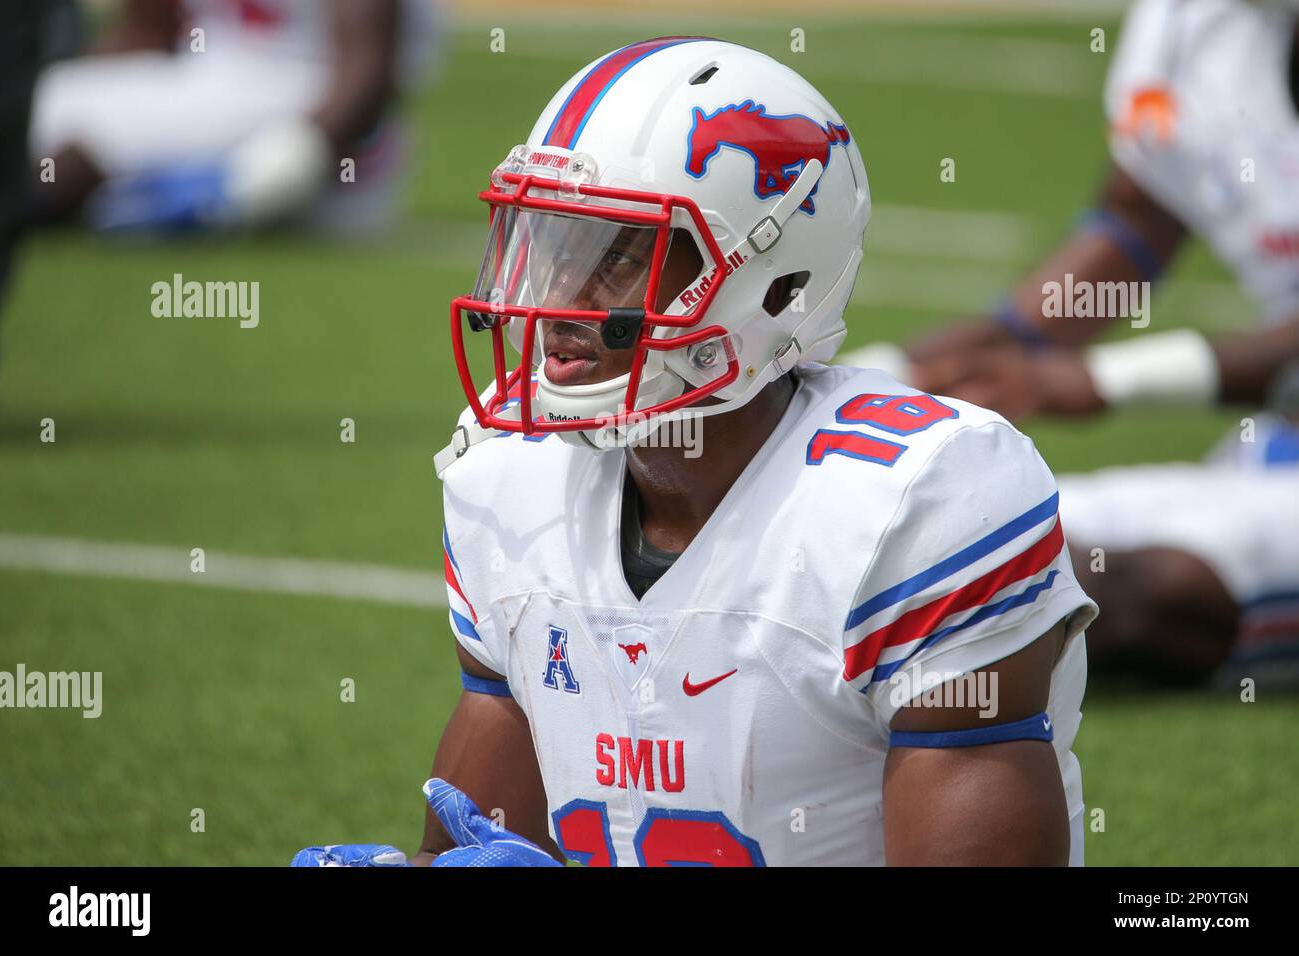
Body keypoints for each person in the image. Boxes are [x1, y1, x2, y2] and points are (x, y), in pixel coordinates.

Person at [294, 36, 1096, 867]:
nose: (556, 305)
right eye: (547, 245)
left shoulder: (923, 502)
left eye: (615, 259)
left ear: (777, 283)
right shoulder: (507, 475)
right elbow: (481, 841)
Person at [847, 0, 1299, 687]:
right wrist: (988, 345)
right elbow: (1139, 217)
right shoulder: (1193, 20)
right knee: (971, 542)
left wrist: (1094, 379)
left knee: (1151, 593)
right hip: (1270, 449)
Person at [27, 0, 437, 233]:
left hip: (301, 93)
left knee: (65, 133)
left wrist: (268, 173)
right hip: (205, 78)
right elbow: (146, 34)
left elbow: (365, 76)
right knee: (46, 100)